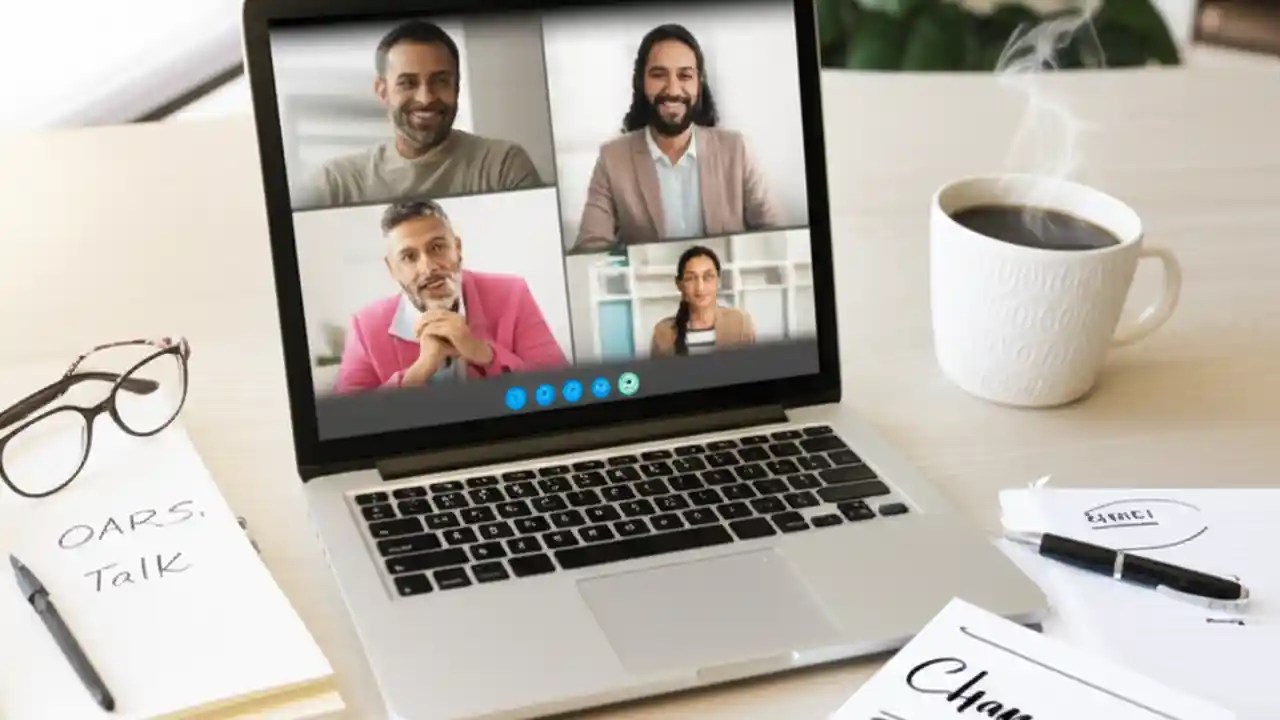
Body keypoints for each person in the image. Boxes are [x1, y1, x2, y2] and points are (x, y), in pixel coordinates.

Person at [574, 24, 782, 250]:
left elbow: (775, 234)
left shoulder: (736, 149)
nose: (673, 89)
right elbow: (590, 248)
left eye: (685, 76)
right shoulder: (612, 158)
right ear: (640, 82)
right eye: (658, 75)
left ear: (699, 83)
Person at [334, 199, 566, 393]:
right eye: (408, 257)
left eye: (437, 247)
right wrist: (419, 371)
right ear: (392, 269)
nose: (428, 267)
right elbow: (346, 422)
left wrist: (484, 353)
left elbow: (560, 387)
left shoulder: (511, 293)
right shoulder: (365, 326)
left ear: (457, 248)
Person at [311, 20, 543, 208]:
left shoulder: (502, 165)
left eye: (440, 81)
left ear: (456, 86)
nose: (426, 98)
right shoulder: (338, 183)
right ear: (382, 92)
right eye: (408, 83)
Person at [650, 246, 756, 356]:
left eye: (708, 277)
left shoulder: (740, 324)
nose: (700, 288)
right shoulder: (663, 332)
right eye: (690, 278)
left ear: (718, 281)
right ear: (679, 284)